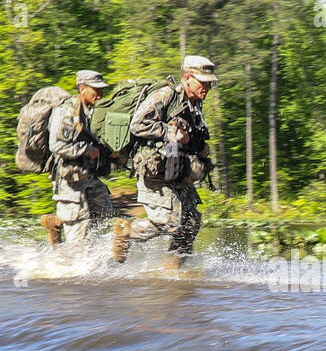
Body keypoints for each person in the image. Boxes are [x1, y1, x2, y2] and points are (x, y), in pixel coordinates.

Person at [111, 55, 217, 267]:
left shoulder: (195, 104)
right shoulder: (166, 95)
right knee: (168, 222)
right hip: (156, 170)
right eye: (203, 82)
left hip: (178, 169)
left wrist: (200, 148)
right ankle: (126, 230)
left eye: (209, 83)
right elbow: (137, 125)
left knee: (191, 222)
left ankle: (174, 268)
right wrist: (169, 131)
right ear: (187, 78)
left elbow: (187, 137)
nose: (207, 87)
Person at [40, 70, 112, 246]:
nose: (100, 94)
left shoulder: (90, 112)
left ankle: (59, 224)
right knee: (78, 234)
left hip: (87, 175)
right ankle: (68, 261)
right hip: (69, 180)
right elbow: (56, 146)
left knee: (104, 211)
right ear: (82, 88)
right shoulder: (67, 112)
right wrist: (87, 150)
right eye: (96, 89)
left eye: (102, 89)